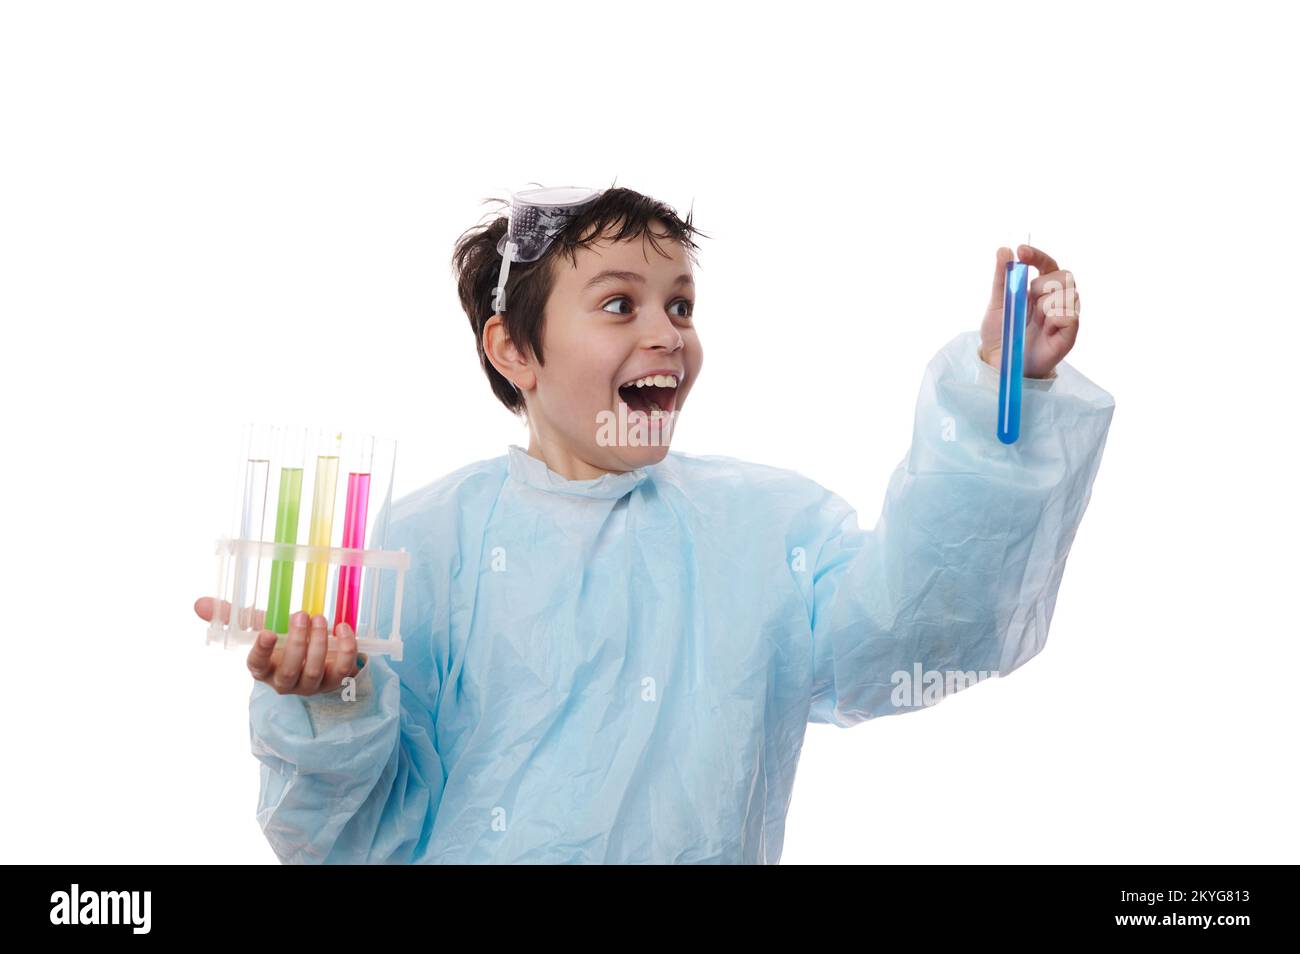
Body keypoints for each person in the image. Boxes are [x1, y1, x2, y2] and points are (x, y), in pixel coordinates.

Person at [193, 185, 1115, 863]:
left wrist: (1006, 390)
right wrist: (327, 702)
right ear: (515, 349)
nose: (669, 333)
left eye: (681, 304)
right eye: (619, 304)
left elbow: (925, 625)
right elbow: (338, 834)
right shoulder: (420, 547)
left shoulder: (760, 533)